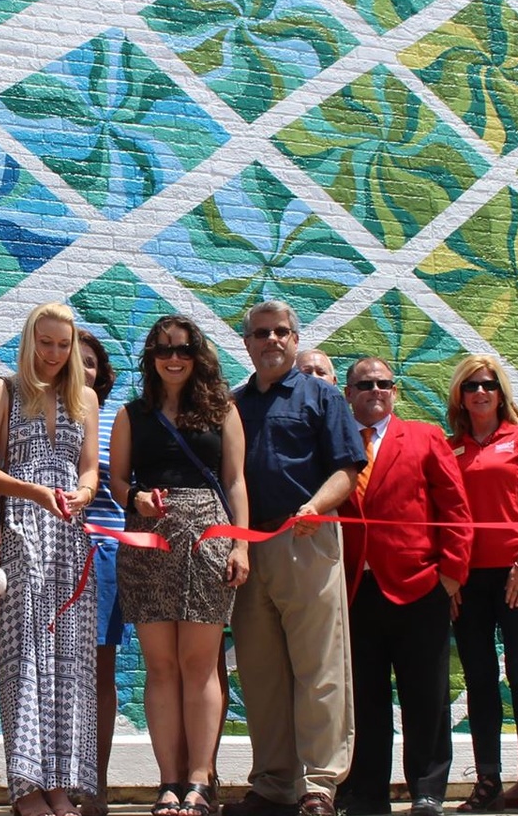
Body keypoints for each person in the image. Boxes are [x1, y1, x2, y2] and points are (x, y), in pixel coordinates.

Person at [225, 300, 366, 816]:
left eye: (281, 331)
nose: (272, 340)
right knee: (261, 674)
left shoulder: (322, 396)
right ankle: (273, 784)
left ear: (294, 337)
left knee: (320, 668)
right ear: (247, 342)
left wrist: (317, 504)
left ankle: (319, 786)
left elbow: (347, 470)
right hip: (245, 548)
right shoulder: (234, 404)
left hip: (306, 539)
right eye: (261, 333)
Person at [109, 315, 249, 816]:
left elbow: (234, 482)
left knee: (199, 664)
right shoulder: (132, 414)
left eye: (184, 349)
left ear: (198, 355)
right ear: (151, 357)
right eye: (164, 350)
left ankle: (199, 781)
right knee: (161, 666)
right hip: (149, 543)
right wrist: (138, 498)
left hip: (209, 539)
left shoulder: (222, 411)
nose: (174, 358)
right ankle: (168, 780)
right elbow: (117, 482)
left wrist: (241, 545)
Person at [0, 303, 102, 816]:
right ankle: (25, 788)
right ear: (29, 342)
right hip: (21, 532)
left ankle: (59, 786)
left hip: (69, 537)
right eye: (45, 342)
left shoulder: (85, 397)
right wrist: (34, 490)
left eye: (63, 344)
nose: (53, 353)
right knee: (24, 659)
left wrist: (84, 494)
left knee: (70, 664)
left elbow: (89, 468)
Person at [338, 357, 471, 816]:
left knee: (426, 694)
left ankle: (428, 788)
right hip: (356, 589)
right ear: (348, 392)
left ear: (394, 392)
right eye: (365, 384)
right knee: (365, 697)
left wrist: (451, 572)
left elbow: (455, 506)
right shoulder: (336, 440)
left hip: (419, 585)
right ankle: (366, 791)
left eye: (384, 383)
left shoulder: (424, 436)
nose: (375, 390)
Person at [445, 354, 518, 816]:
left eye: (488, 384)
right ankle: (488, 780)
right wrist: (450, 580)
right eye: (471, 386)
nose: (480, 392)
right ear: (460, 397)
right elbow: (445, 517)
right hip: (469, 579)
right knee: (480, 680)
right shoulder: (451, 447)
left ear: (500, 391)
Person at [75, 329, 123, 816]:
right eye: (74, 359)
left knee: (97, 674)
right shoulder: (41, 414)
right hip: (48, 552)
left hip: (104, 553)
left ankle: (95, 783)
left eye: (91, 362)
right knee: (49, 670)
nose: (82, 368)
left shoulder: (116, 419)